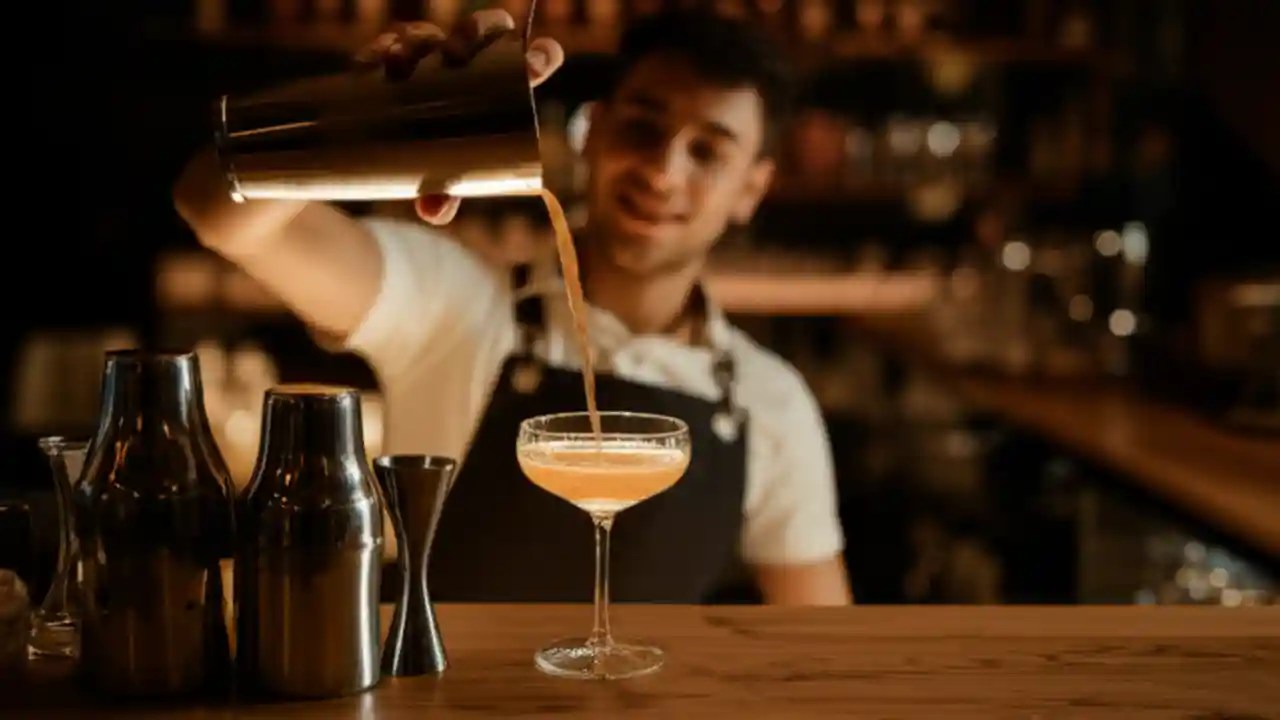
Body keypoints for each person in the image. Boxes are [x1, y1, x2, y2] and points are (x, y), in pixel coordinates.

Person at [173, 7, 853, 606]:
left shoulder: (771, 404)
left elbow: (823, 652)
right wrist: (372, 111)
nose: (662, 170)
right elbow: (213, 208)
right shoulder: (454, 302)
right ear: (593, 132)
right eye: (643, 127)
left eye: (707, 151)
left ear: (751, 189)